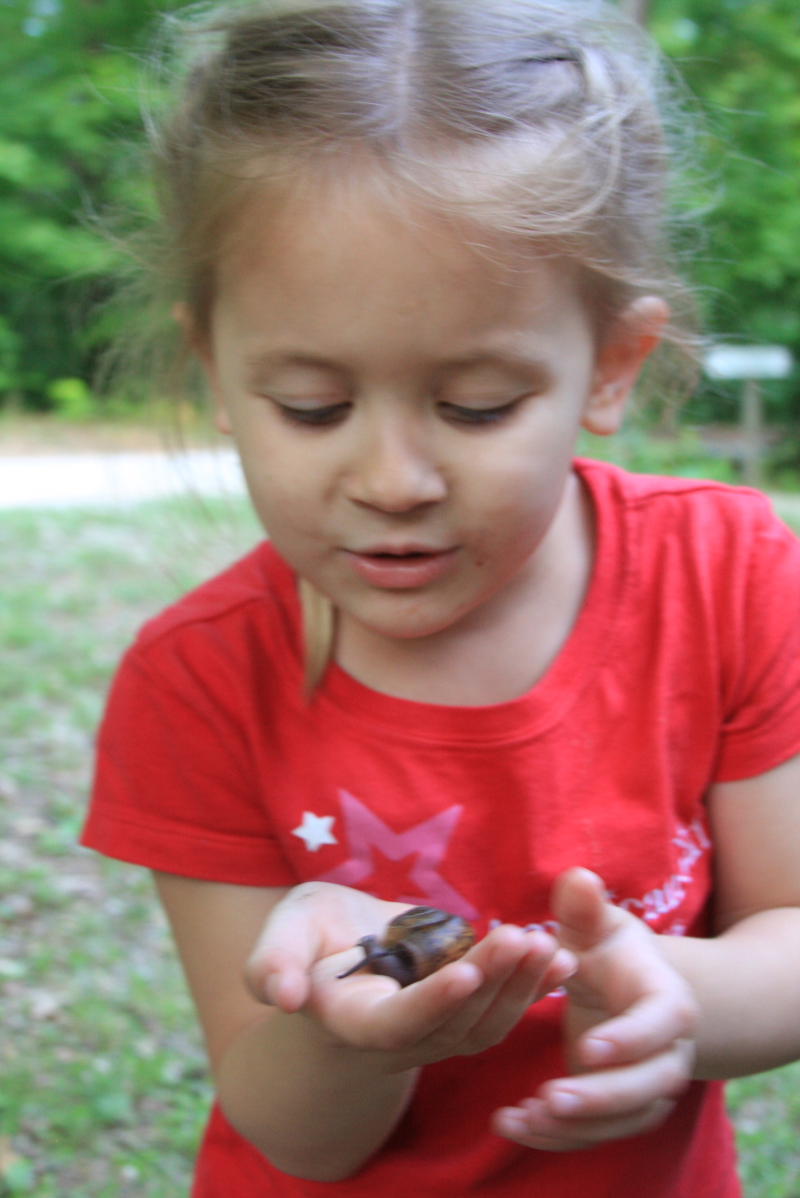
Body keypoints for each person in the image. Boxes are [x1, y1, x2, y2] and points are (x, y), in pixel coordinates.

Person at [80, 1, 800, 1195]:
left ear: (610, 365)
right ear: (213, 366)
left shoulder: (721, 575)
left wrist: (680, 996)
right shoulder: (197, 678)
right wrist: (335, 1029)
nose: (391, 481)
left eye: (473, 406)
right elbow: (294, 1133)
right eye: (311, 406)